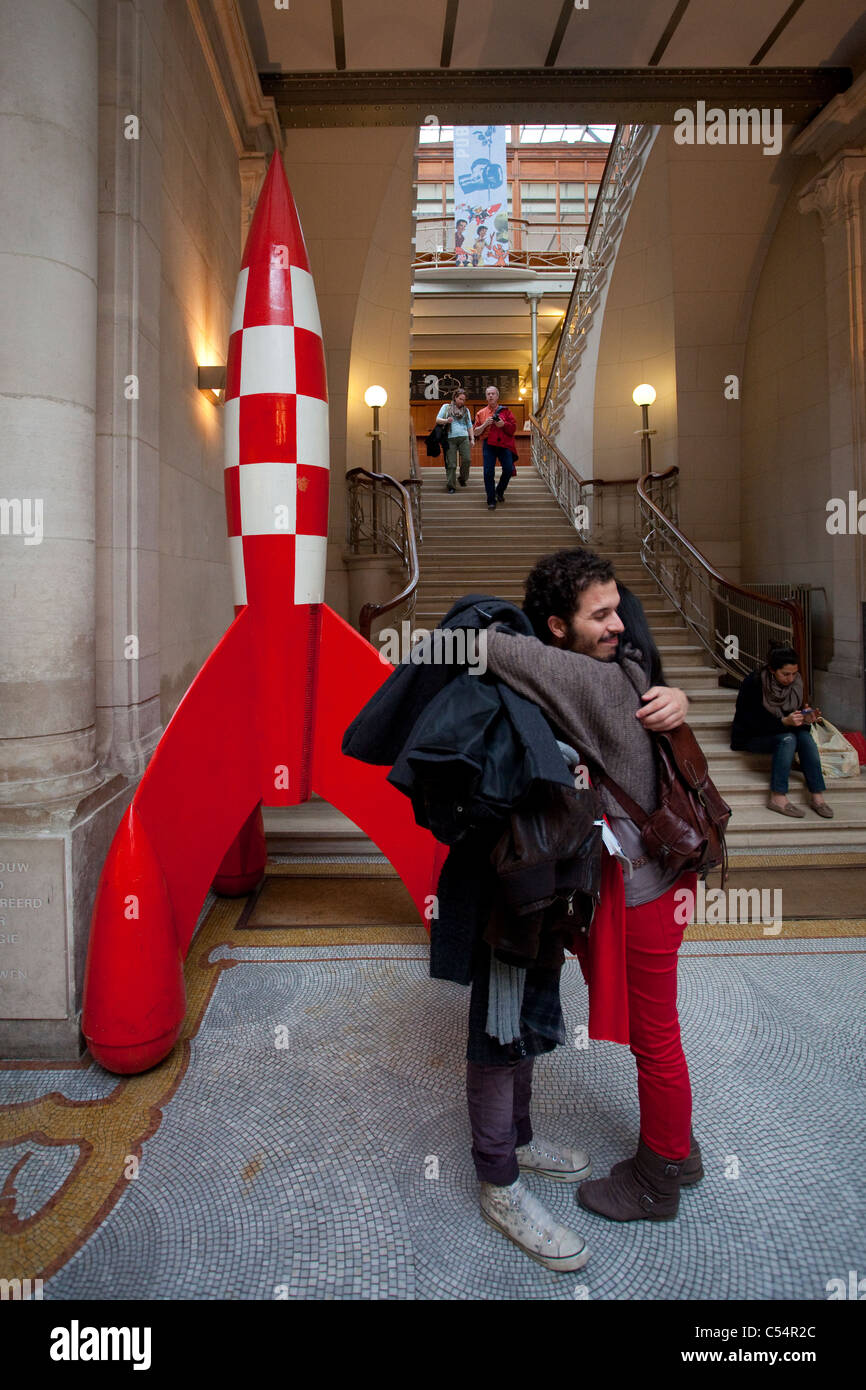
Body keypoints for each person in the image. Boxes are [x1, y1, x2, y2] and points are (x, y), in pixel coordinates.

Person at [480, 548, 706, 1235]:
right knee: (658, 1031)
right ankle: (682, 1153)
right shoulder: (629, 669)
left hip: (645, 894)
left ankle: (660, 1176)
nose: (617, 624)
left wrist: (508, 625)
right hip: (664, 880)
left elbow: (482, 645)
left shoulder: (589, 680)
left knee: (657, 1039)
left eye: (616, 609)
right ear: (560, 625)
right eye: (599, 613)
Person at [730, 645, 833, 818]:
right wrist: (784, 721)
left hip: (784, 731)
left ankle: (817, 796)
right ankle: (778, 797)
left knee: (804, 737)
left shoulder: (796, 683)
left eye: (794, 673)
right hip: (754, 735)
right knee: (788, 739)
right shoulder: (754, 683)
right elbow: (751, 722)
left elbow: (795, 719)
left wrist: (805, 720)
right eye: (785, 674)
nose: (791, 678)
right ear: (772, 669)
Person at [474, 385, 518, 510]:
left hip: (503, 444)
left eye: (493, 394)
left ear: (497, 396)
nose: (491, 396)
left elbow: (513, 428)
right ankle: (491, 500)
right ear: (486, 397)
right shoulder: (481, 413)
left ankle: (499, 491)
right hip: (488, 444)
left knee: (508, 469)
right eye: (488, 394)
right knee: (488, 472)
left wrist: (503, 424)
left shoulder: (506, 411)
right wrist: (484, 425)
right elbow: (475, 432)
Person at [434, 387, 474, 493]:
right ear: (455, 398)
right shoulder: (446, 407)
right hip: (450, 438)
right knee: (451, 463)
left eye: (464, 400)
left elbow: (469, 425)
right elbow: (437, 420)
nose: (462, 401)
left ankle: (462, 478)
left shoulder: (466, 410)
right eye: (460, 399)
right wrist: (446, 420)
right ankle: (451, 486)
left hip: (464, 437)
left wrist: (472, 438)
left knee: (467, 459)